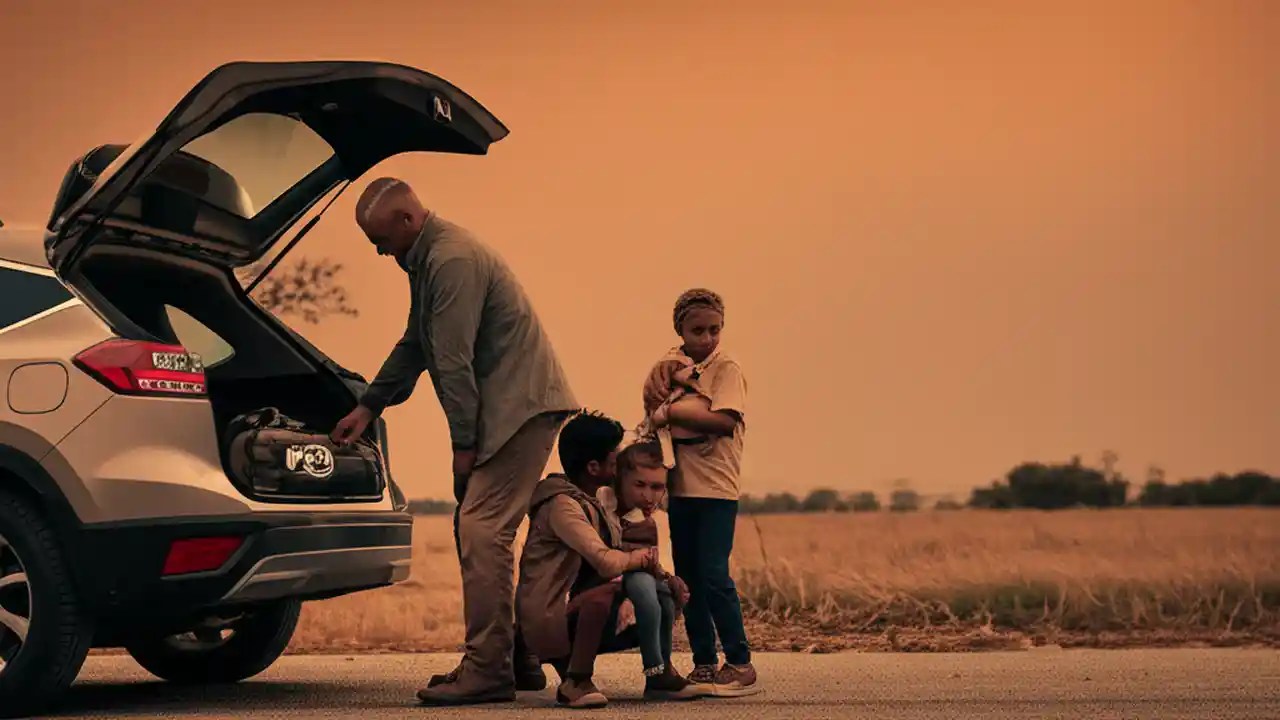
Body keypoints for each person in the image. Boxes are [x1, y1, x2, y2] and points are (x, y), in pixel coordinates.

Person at [330, 178, 579, 706]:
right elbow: (417, 341)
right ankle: (515, 659)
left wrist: (462, 447)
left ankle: (489, 670)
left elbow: (452, 362)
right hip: (511, 409)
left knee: (482, 529)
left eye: (381, 239)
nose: (379, 252)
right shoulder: (430, 259)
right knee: (479, 528)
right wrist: (368, 404)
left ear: (407, 220)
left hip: (519, 408)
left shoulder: (451, 261)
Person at [515, 412, 698, 707]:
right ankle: (576, 680)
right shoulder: (564, 506)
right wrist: (640, 560)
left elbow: (621, 554)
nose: (619, 468)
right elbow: (607, 562)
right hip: (551, 618)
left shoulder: (593, 500)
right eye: (615, 461)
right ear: (593, 467)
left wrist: (664, 576)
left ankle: (659, 677)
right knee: (605, 593)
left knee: (662, 595)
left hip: (570, 609)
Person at [641, 288, 760, 696]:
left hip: (716, 488)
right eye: (698, 330)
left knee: (714, 574)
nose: (707, 338)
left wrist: (670, 410)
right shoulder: (668, 364)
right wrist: (672, 400)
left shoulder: (726, 368)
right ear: (680, 329)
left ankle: (740, 662)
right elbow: (650, 406)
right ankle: (705, 663)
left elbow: (722, 419)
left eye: (715, 329)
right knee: (689, 578)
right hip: (680, 489)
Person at [596, 440, 696, 688]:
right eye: (639, 485)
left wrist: (671, 581)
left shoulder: (656, 520)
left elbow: (662, 567)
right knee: (645, 588)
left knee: (662, 595)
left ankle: (659, 674)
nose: (648, 495)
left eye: (657, 487)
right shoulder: (604, 501)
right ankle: (655, 668)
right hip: (606, 575)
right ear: (620, 478)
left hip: (644, 578)